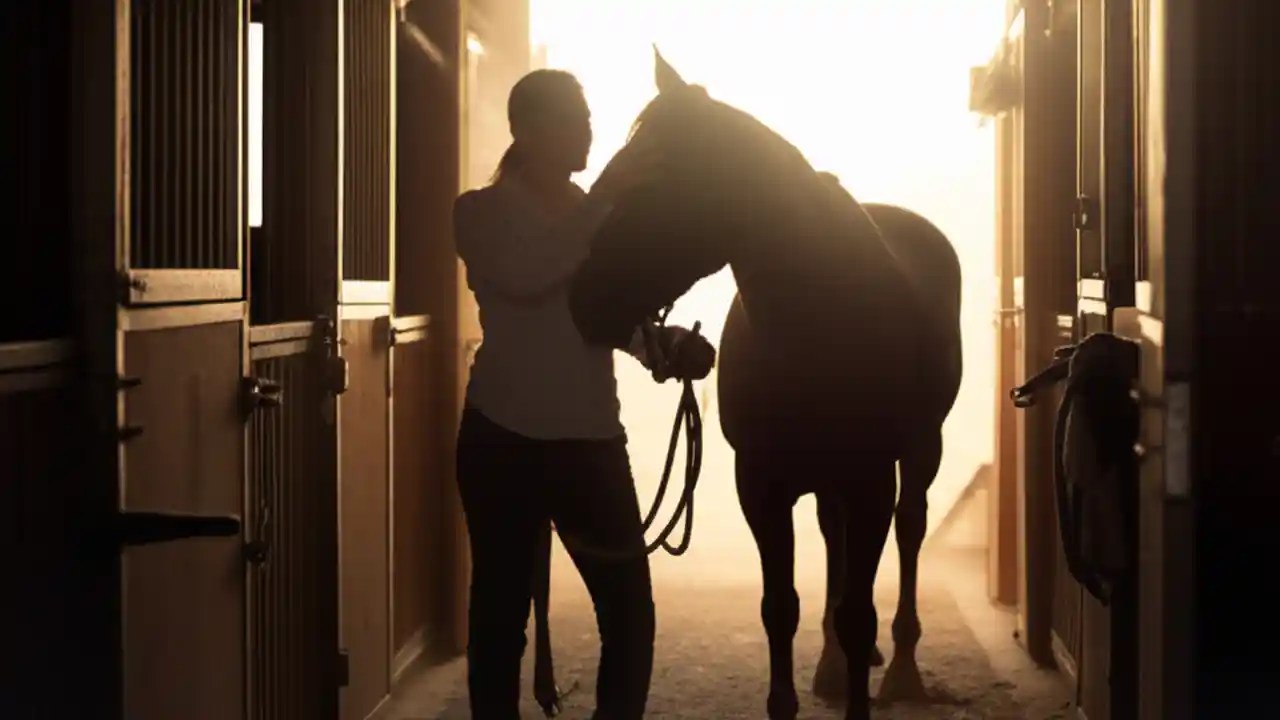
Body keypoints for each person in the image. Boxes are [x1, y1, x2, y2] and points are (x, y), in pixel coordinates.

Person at [451, 69, 715, 719]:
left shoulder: (596, 212)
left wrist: (663, 345)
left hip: (589, 439)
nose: (590, 131)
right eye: (575, 119)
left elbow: (605, 314)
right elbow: (526, 274)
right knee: (499, 622)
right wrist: (603, 200)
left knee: (629, 617)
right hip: (502, 439)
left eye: (588, 117)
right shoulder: (479, 212)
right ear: (529, 131)